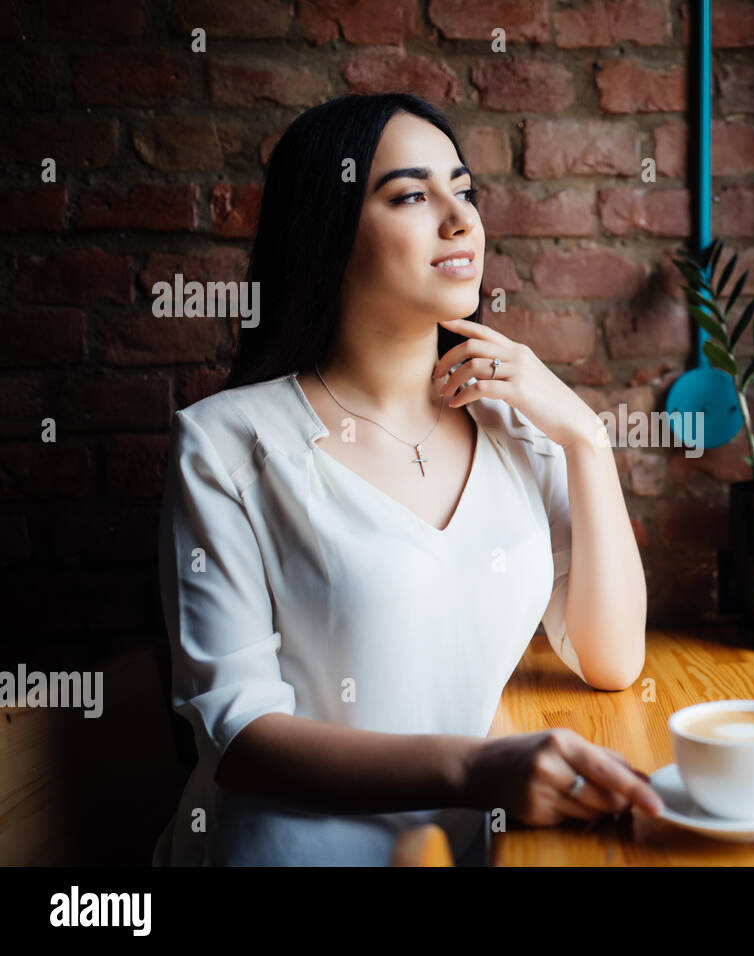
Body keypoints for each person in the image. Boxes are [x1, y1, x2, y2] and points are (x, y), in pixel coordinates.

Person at [151, 92, 663, 866]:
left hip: (470, 849)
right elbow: (243, 740)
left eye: (465, 190)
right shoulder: (225, 445)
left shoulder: (520, 428)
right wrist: (477, 770)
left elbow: (612, 657)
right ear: (330, 231)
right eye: (413, 195)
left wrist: (588, 439)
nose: (461, 220)